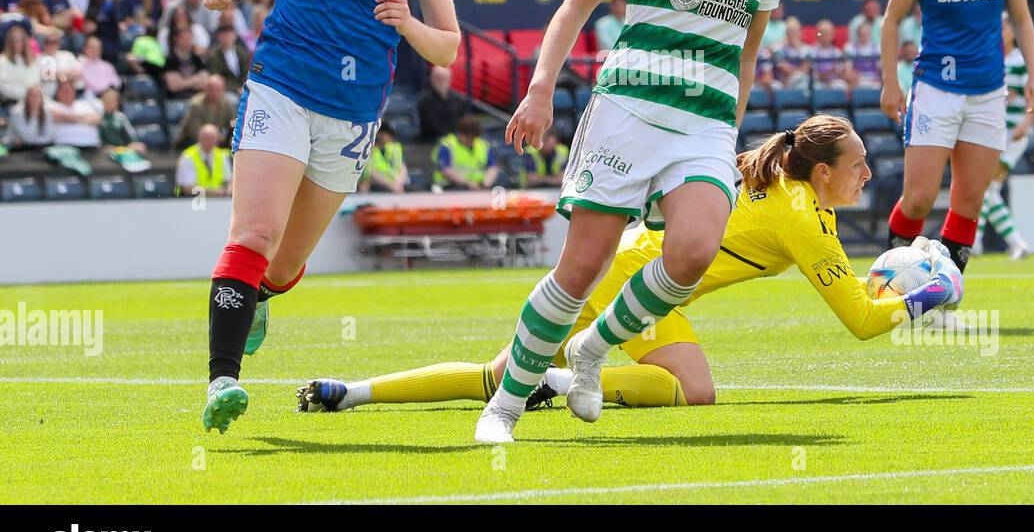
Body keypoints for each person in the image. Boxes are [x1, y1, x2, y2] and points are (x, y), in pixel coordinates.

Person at [473, 0, 794, 445]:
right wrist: (539, 90)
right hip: (630, 109)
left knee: (695, 248)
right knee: (581, 266)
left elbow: (749, 52)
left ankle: (594, 347)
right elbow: (576, 4)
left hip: (704, 124)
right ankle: (503, 407)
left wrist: (729, 131)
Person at [297, 117, 962, 413]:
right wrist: (931, 293)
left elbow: (858, 291)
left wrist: (891, 282)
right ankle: (560, 383)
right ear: (822, 172)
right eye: (858, 168)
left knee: (493, 377)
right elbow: (861, 323)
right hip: (643, 284)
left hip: (619, 262)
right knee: (692, 388)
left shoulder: (773, 181)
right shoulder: (801, 216)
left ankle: (349, 392)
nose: (869, 176)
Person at [197, 0, 462, 434]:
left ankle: (259, 294)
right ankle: (222, 381)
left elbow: (449, 47)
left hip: (351, 116)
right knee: (252, 236)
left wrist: (407, 24)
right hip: (279, 87)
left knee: (283, 267)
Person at [879, 0, 1034, 273]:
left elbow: (1022, 20)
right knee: (919, 198)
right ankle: (891, 285)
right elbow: (890, 21)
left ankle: (941, 302)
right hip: (936, 87)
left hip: (988, 92)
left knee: (970, 201)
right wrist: (889, 84)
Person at [975, 15, 1031, 259]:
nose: (999, 33)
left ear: (1011, 32)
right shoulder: (990, 60)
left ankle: (974, 241)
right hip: (993, 136)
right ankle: (1016, 243)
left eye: (1004, 28)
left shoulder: (1020, 61)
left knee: (987, 188)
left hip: (1012, 138)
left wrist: (1026, 123)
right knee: (989, 190)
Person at [433, 114, 498, 190]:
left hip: (478, 188)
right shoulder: (447, 145)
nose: (471, 142)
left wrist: (486, 182)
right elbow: (446, 169)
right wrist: (467, 183)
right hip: (450, 188)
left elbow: (493, 167)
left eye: (474, 138)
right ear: (461, 134)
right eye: (469, 138)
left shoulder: (483, 145)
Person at [176, 75, 238, 149]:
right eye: (211, 89)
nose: (215, 92)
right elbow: (194, 131)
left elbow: (232, 122)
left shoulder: (226, 103)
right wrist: (214, 138)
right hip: (195, 140)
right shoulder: (196, 105)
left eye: (218, 89)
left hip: (217, 138)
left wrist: (230, 134)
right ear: (205, 89)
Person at [176, 122, 234, 196]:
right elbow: (188, 188)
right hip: (193, 200)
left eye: (213, 139)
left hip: (218, 201)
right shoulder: (188, 156)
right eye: (206, 139)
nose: (210, 142)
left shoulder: (222, 155)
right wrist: (216, 192)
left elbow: (229, 180)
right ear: (199, 138)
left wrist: (228, 189)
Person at [417, 63, 465, 140]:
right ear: (432, 79)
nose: (442, 81)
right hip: (431, 141)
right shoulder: (425, 100)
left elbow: (463, 120)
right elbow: (432, 126)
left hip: (455, 139)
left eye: (444, 78)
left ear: (450, 79)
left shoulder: (457, 99)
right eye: (438, 78)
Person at [359, 122, 408, 192]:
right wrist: (392, 186)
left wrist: (398, 184)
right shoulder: (369, 149)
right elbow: (371, 173)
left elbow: (402, 168)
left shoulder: (395, 148)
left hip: (395, 186)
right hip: (376, 186)